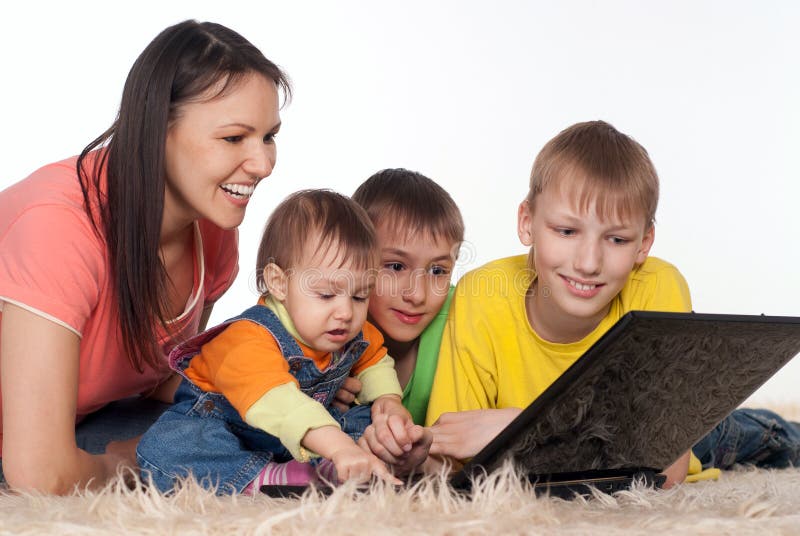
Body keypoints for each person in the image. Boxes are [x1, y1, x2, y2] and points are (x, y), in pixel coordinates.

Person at [424, 120, 800, 487]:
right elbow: (446, 458)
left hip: (690, 437)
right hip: (619, 436)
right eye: (567, 231)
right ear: (527, 223)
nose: (588, 263)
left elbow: (665, 473)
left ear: (644, 243)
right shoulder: (481, 294)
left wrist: (519, 426)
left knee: (760, 434)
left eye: (617, 240)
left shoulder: (658, 287)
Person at [0, 20, 290, 494]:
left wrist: (275, 381)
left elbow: (161, 382)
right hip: (20, 451)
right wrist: (126, 461)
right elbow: (39, 474)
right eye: (235, 138)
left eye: (269, 136)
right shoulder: (57, 227)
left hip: (83, 424)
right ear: (159, 130)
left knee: (262, 424)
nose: (262, 164)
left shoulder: (212, 224)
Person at [136, 189, 428, 494]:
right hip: (230, 428)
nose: (345, 312)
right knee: (166, 448)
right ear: (278, 282)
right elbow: (280, 403)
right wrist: (339, 446)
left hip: (305, 436)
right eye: (326, 295)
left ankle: (336, 466)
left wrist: (388, 403)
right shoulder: (247, 340)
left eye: (359, 296)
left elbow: (374, 359)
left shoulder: (350, 329)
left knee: (364, 418)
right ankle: (263, 477)